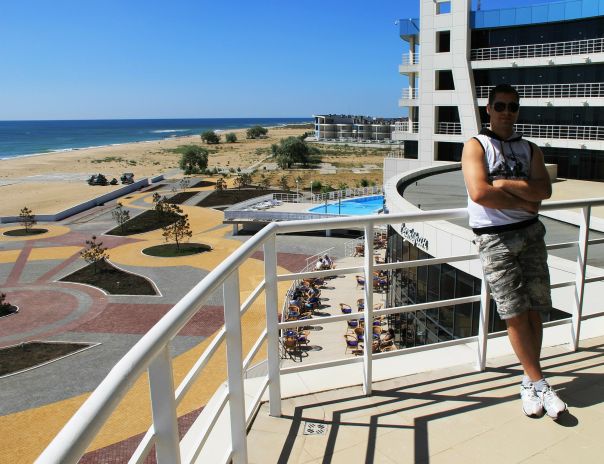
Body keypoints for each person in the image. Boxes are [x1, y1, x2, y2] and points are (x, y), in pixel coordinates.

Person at [461, 83, 567, 420]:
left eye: (513, 107)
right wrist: (524, 201)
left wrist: (504, 185)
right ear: (489, 109)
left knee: (536, 310)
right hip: (495, 239)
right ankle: (541, 384)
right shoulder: (476, 146)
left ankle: (528, 380)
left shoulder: (530, 149)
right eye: (501, 106)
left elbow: (543, 191)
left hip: (531, 234)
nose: (507, 112)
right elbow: (480, 193)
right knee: (514, 313)